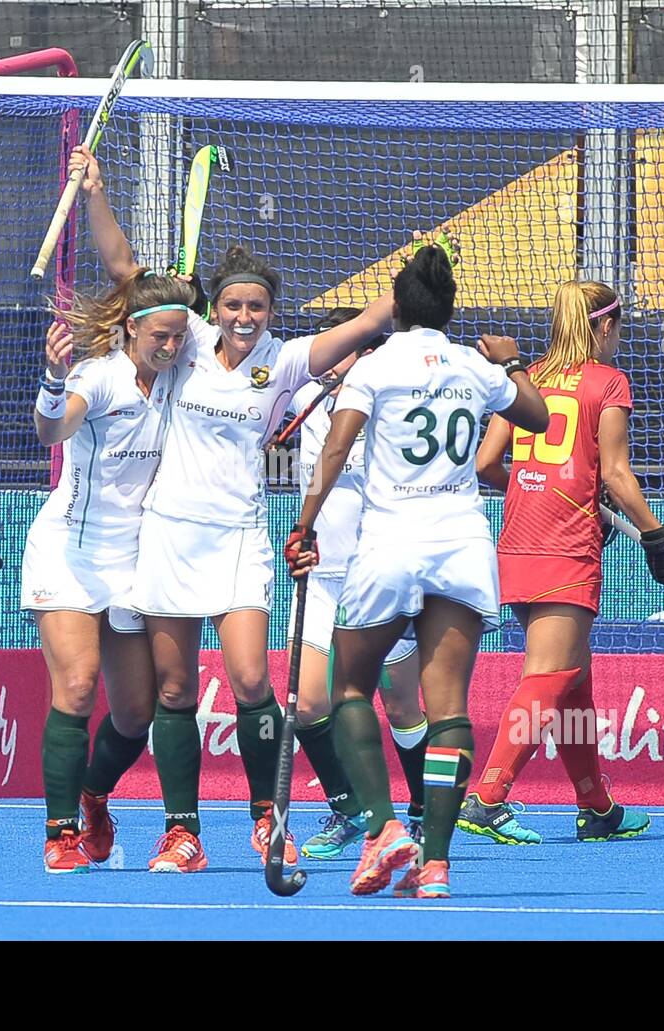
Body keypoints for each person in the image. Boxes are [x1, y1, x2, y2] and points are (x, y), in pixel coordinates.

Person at [70, 144, 393, 872]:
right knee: (175, 689)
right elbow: (126, 273)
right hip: (169, 539)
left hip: (240, 538)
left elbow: (365, 326)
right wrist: (94, 192)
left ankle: (263, 816)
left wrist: (412, 285)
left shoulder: (280, 359)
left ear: (271, 312)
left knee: (251, 679)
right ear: (215, 306)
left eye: (258, 306)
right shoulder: (180, 343)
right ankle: (181, 833)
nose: (245, 315)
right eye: (234, 304)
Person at [287, 242, 549, 898]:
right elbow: (537, 417)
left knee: (349, 687)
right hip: (460, 543)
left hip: (391, 540)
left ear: (397, 308)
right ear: (451, 309)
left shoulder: (375, 367)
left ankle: (381, 828)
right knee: (449, 707)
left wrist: (306, 522)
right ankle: (435, 862)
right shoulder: (473, 366)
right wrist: (512, 360)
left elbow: (340, 442)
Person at [459, 280, 664, 844]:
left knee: (573, 682)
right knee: (550, 676)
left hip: (520, 538)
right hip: (567, 545)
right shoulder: (608, 381)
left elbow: (488, 463)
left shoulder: (529, 376)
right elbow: (615, 473)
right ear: (606, 326)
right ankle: (488, 796)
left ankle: (597, 806)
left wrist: (535, 488)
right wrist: (655, 532)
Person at [27, 272, 197, 872]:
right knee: (76, 686)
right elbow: (53, 428)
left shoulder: (182, 374)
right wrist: (52, 382)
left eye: (178, 337)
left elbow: (129, 267)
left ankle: (94, 795)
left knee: (133, 715)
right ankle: (60, 833)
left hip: (137, 559)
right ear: (131, 329)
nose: (171, 347)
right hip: (69, 552)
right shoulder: (97, 376)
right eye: (160, 336)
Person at [286, 307, 429, 860]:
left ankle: (417, 812)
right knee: (305, 708)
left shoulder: (397, 411)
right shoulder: (303, 401)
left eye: (354, 348)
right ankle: (351, 809)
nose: (337, 360)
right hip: (321, 581)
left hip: (384, 579)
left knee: (400, 707)